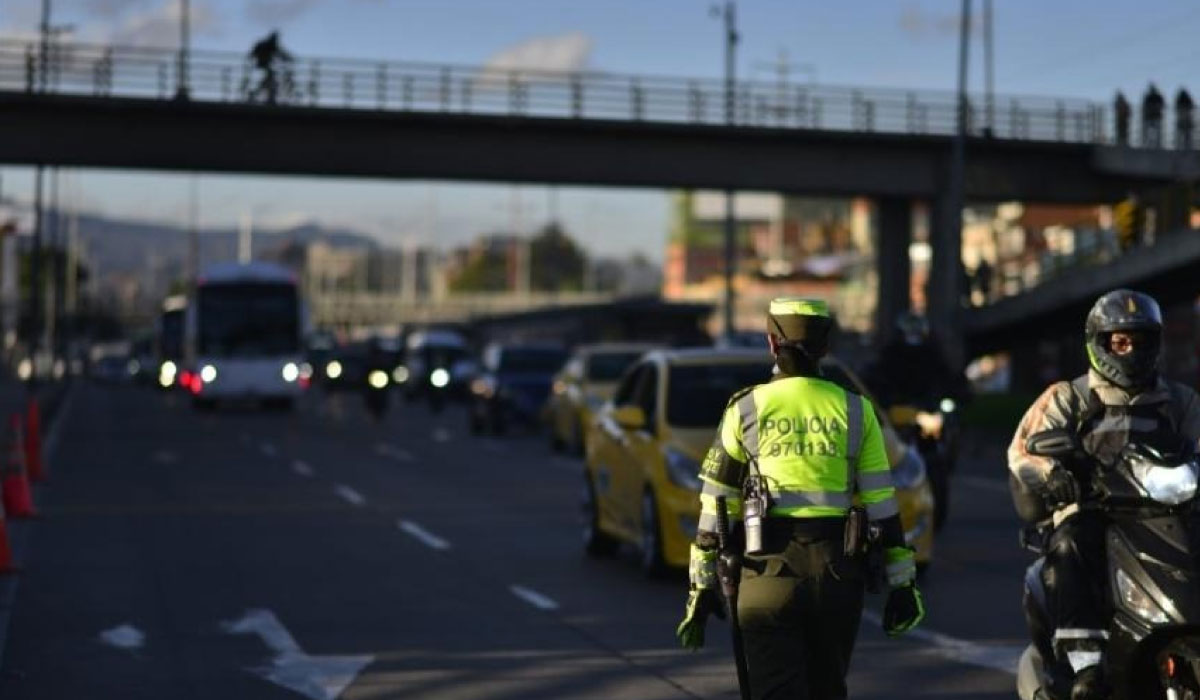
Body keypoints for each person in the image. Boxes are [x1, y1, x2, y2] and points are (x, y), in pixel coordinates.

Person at [675, 297, 924, 699]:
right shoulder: (857, 411)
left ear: (772, 343)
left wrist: (701, 587)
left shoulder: (746, 408)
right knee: (828, 688)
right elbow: (883, 505)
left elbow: (716, 503)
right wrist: (903, 583)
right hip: (838, 574)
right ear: (826, 348)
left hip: (765, 573)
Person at [1007, 289, 1200, 700]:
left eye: (1140, 340)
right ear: (1099, 342)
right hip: (1095, 511)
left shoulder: (1181, 401)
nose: (1130, 350)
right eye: (1120, 341)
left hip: (1171, 513)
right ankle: (1086, 663)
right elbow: (1022, 450)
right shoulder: (1068, 397)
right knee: (1072, 541)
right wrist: (1053, 475)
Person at [862, 311, 970, 410]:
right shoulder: (891, 354)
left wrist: (957, 392)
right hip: (896, 406)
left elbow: (945, 377)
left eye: (916, 330)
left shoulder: (932, 355)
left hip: (929, 405)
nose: (913, 334)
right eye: (909, 329)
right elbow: (878, 377)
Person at [248, 30, 293, 104]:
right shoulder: (270, 44)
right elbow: (281, 53)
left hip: (263, 63)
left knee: (269, 78)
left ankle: (258, 93)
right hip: (263, 63)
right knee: (270, 78)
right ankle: (265, 94)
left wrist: (287, 58)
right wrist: (288, 59)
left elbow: (280, 53)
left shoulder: (267, 44)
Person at [1142, 83, 1165, 148]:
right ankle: (1152, 144)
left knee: (1153, 132)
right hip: (1152, 117)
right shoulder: (1155, 97)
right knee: (1153, 132)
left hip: (1153, 117)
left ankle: (1151, 144)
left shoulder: (1149, 97)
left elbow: (1162, 104)